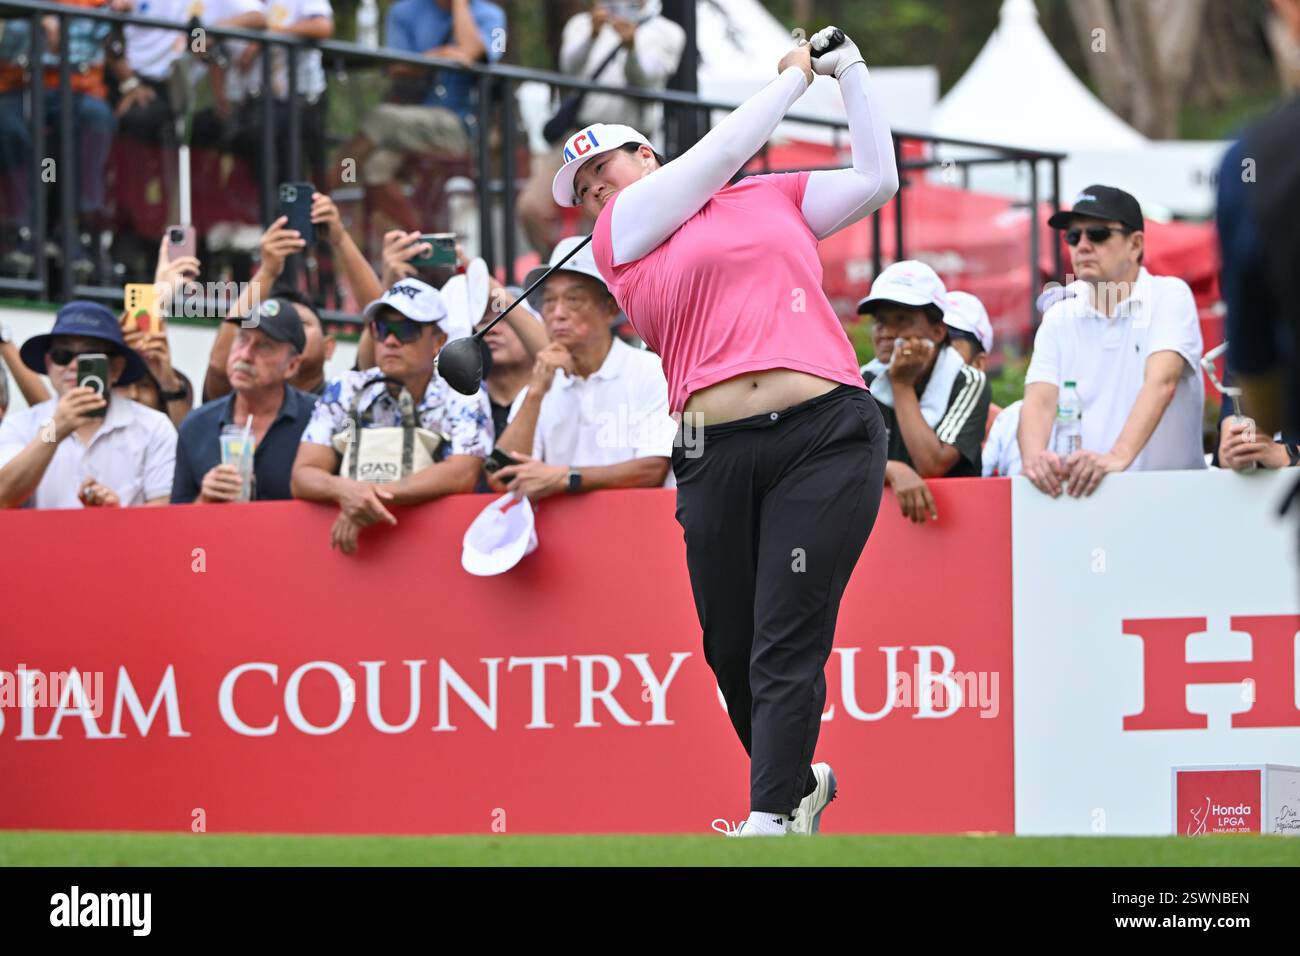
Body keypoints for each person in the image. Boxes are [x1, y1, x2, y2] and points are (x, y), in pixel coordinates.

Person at [555, 27, 897, 836]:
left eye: (606, 169)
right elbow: (717, 152)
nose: (598, 191)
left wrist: (847, 73)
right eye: (585, 187)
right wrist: (789, 81)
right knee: (729, 643)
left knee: (785, 627)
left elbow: (878, 177)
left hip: (827, 432)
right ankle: (797, 780)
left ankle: (770, 818)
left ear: (645, 155)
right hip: (714, 449)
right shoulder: (621, 239)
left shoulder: (769, 197)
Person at [1019, 186, 1206, 498]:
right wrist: (1034, 460)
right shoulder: (1059, 314)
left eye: (1098, 234)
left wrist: (1117, 457)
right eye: (1073, 237)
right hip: (1085, 500)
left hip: (1172, 502)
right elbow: (1039, 400)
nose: (1083, 246)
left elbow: (1162, 382)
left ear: (1135, 245)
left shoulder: (1168, 295)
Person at [291, 279, 492, 553]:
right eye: (382, 329)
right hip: (355, 552)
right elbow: (303, 475)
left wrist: (367, 497)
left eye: (406, 330)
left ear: (439, 341)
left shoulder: (462, 392)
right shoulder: (346, 388)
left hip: (442, 547)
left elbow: (462, 473)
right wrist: (347, 491)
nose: (391, 341)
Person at [489, 234, 674, 498]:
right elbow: (502, 476)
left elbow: (652, 468)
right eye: (549, 301)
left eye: (573, 300)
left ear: (610, 309)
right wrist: (535, 393)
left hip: (634, 530)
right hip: (558, 535)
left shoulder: (650, 371)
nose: (558, 313)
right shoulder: (539, 383)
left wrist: (566, 476)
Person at [517, 0, 685, 258]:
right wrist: (592, 35)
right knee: (531, 207)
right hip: (577, 136)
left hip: (625, 139)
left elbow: (648, 81)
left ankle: (596, 275)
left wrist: (631, 48)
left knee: (602, 216)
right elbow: (569, 67)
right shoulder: (582, 24)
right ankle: (563, 265)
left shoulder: (668, 32)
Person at [332, 0, 506, 232]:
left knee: (379, 119)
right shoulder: (403, 12)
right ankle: (424, 237)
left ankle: (328, 190)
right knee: (375, 167)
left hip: (461, 126)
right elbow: (395, 66)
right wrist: (441, 56)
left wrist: (459, 5)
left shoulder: (493, 17)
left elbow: (475, 52)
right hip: (406, 121)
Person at [0, 302, 176, 508]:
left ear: (116, 368)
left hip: (124, 540)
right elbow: (4, 496)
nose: (74, 366)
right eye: (62, 356)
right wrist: (54, 431)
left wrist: (117, 517)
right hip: (39, 541)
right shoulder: (18, 426)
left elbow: (163, 513)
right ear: (49, 364)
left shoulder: (154, 427)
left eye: (89, 357)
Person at [857, 262, 991, 527]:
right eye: (880, 322)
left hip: (953, 530)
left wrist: (901, 385)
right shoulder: (862, 382)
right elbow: (840, 461)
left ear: (938, 331)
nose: (886, 333)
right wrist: (892, 470)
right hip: (880, 534)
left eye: (902, 321)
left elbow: (932, 464)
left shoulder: (968, 381)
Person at [204, 193, 370, 401]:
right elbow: (220, 364)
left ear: (329, 347)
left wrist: (340, 239)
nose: (288, 331)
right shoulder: (239, 400)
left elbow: (382, 323)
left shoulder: (346, 402)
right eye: (270, 331)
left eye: (301, 323)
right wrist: (267, 271)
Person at [172, 297, 317, 502]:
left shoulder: (318, 420)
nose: (245, 355)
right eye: (242, 338)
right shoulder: (196, 426)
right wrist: (205, 499)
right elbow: (176, 524)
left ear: (292, 366)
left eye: (264, 346)